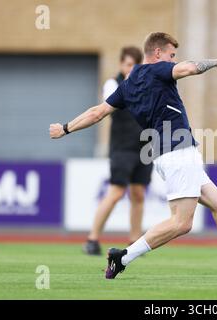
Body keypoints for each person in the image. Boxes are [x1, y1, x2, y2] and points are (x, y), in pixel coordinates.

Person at [50, 32, 217, 280]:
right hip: (178, 152)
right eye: (171, 54)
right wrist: (216, 62)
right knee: (182, 223)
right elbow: (188, 68)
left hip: (167, 154)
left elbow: (97, 112)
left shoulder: (129, 85)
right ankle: (122, 258)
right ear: (157, 53)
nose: (172, 59)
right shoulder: (157, 70)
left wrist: (66, 128)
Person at [83, 46, 153, 256]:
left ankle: (134, 241)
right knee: (116, 192)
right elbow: (110, 103)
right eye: (128, 65)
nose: (131, 69)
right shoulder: (114, 84)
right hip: (122, 148)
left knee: (139, 194)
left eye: (135, 66)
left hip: (144, 147)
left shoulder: (145, 84)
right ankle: (92, 238)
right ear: (122, 64)